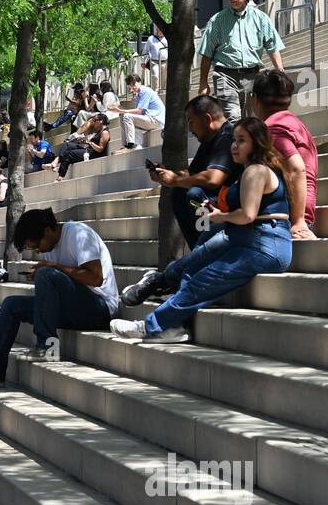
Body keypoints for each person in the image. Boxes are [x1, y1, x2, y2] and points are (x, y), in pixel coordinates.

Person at [111, 117, 292, 343]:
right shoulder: (251, 170)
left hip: (265, 242)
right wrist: (219, 212)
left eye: (242, 141)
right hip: (248, 237)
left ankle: (150, 326)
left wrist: (220, 216)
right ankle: (173, 323)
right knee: (193, 266)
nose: (234, 145)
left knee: (204, 279)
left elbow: (248, 215)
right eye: (234, 140)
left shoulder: (256, 170)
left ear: (257, 143)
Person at [0, 209, 119, 386]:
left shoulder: (78, 234)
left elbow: (95, 278)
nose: (37, 251)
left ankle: (47, 347)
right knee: (11, 304)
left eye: (36, 245)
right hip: (73, 308)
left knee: (46, 273)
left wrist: (55, 269)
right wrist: (47, 276)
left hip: (100, 308)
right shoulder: (50, 246)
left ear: (48, 231)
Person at [148, 96, 242, 249]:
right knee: (180, 193)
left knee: (194, 195)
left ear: (207, 118)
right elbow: (190, 175)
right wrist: (168, 175)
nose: (190, 128)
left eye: (191, 121)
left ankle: (206, 245)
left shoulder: (227, 137)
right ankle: (199, 247)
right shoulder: (208, 140)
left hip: (230, 204)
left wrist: (176, 180)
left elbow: (213, 179)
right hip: (213, 203)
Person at [197, 0, 286, 121]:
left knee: (251, 122)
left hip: (252, 77)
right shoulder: (217, 20)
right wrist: (203, 83)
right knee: (233, 119)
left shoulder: (260, 19)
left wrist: (281, 73)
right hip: (225, 76)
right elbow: (207, 54)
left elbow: (272, 46)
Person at [253, 69, 318, 241]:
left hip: (286, 221)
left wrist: (298, 221)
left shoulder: (274, 127)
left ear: (255, 99)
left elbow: (297, 169)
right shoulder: (293, 122)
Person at [53, 113, 109, 182]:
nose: (93, 123)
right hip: (89, 150)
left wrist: (90, 143)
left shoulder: (105, 133)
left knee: (70, 154)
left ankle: (60, 177)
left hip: (93, 154)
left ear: (101, 121)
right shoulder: (98, 132)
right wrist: (85, 142)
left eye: (95, 121)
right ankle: (56, 161)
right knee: (68, 145)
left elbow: (100, 149)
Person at [118, 74, 166, 149]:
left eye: (134, 84)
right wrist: (122, 111)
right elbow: (139, 113)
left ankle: (130, 144)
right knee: (122, 116)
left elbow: (139, 111)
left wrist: (123, 110)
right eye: (130, 85)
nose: (133, 87)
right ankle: (126, 145)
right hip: (150, 119)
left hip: (157, 121)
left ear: (139, 82)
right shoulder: (138, 95)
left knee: (127, 116)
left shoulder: (146, 91)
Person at [144, 26, 169, 90]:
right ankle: (155, 92)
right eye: (159, 30)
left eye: (162, 30)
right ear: (156, 30)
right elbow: (145, 50)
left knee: (164, 79)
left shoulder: (167, 38)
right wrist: (143, 62)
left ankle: (164, 91)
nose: (160, 32)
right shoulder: (151, 38)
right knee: (155, 76)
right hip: (154, 62)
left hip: (165, 62)